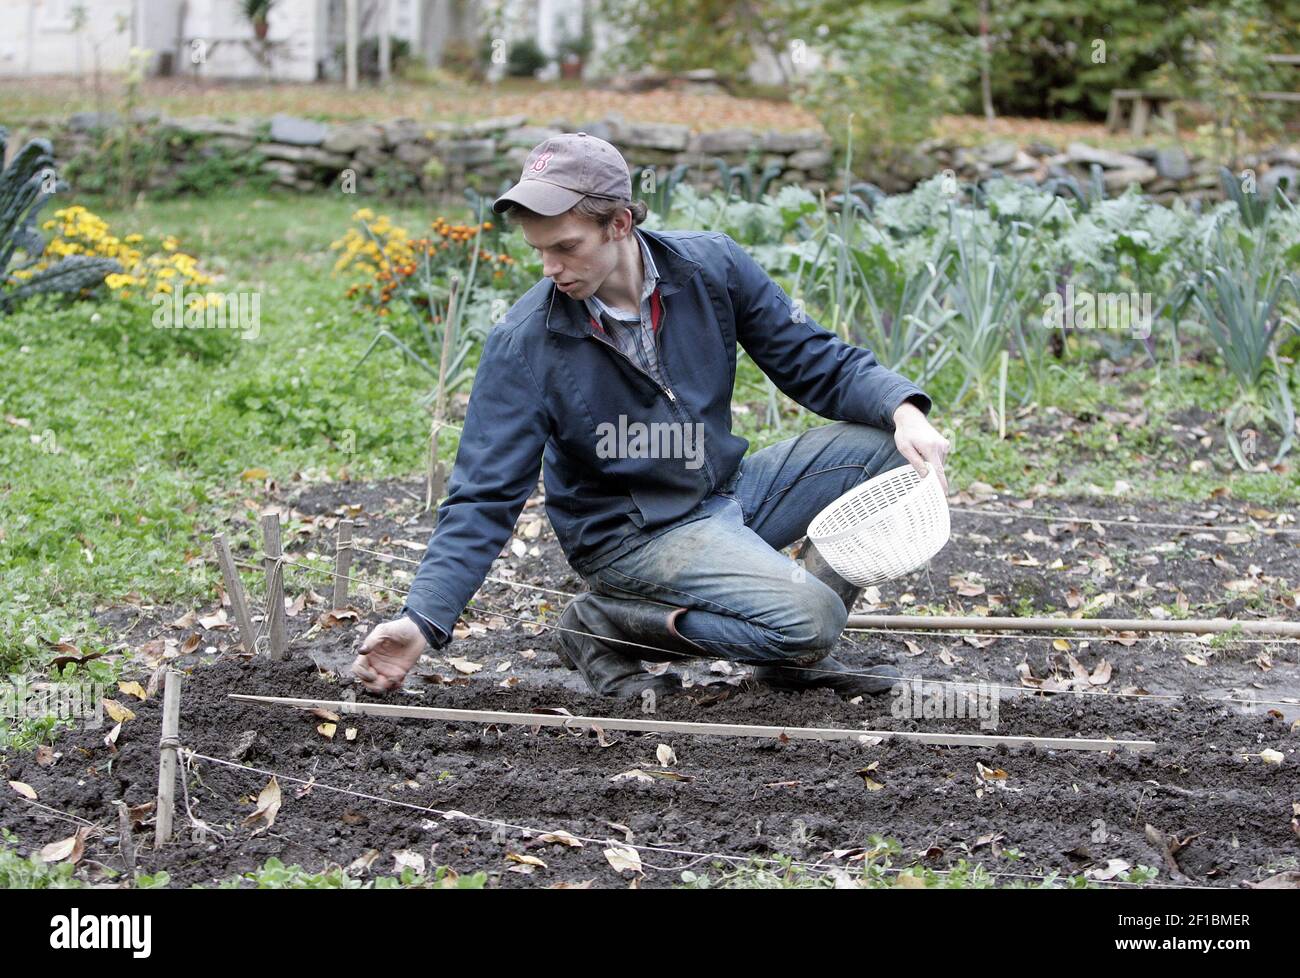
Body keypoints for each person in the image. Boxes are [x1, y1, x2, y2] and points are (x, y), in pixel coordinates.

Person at [351, 132, 950, 699]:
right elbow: (483, 495)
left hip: (724, 492)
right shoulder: (525, 343)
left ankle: (786, 658)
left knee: (882, 450)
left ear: (620, 223)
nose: (550, 269)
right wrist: (422, 620)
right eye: (538, 250)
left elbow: (812, 358)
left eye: (565, 247)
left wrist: (903, 410)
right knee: (814, 617)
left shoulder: (711, 268)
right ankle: (602, 624)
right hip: (632, 534)